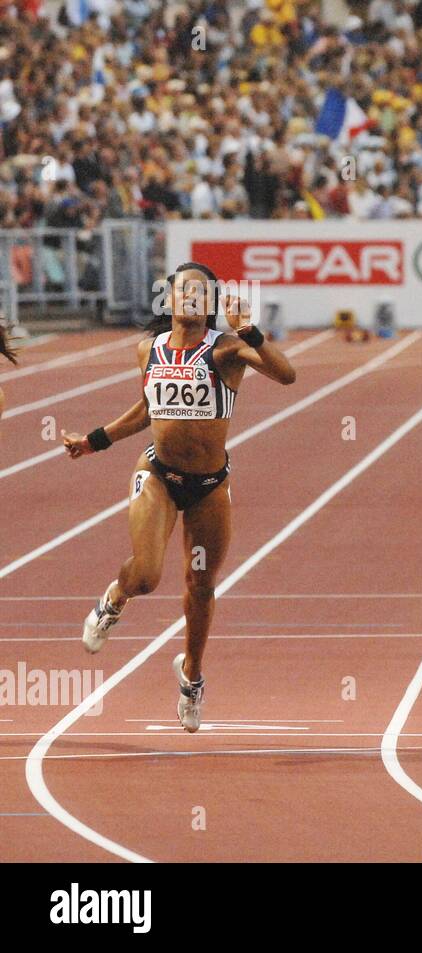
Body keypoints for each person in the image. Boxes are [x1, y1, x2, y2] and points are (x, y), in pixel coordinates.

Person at [62, 263, 297, 732]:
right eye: (183, 289)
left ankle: (191, 675)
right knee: (147, 576)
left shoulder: (228, 350)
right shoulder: (147, 349)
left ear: (209, 305)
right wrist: (94, 441)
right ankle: (116, 597)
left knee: (202, 586)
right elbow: (147, 411)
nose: (191, 296)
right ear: (168, 300)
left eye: (201, 291)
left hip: (209, 486)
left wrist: (250, 331)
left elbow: (286, 375)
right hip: (159, 475)